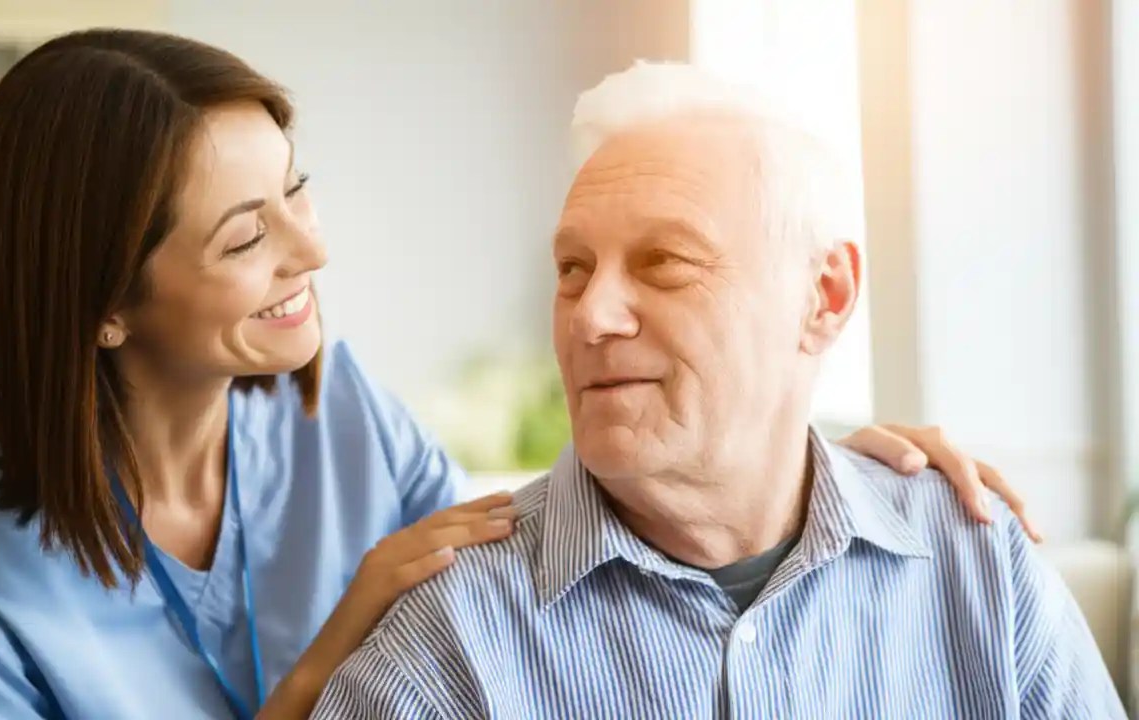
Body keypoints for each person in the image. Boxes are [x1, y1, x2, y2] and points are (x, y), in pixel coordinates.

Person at [0, 31, 1031, 720]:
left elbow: (536, 534)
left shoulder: (326, 407)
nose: (310, 252)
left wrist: (800, 450)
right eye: (242, 237)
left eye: (295, 191)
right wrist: (329, 654)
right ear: (106, 304)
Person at [311, 62, 1124, 719]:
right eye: (572, 269)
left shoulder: (974, 556)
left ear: (826, 296)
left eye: (664, 262)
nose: (589, 315)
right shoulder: (447, 633)